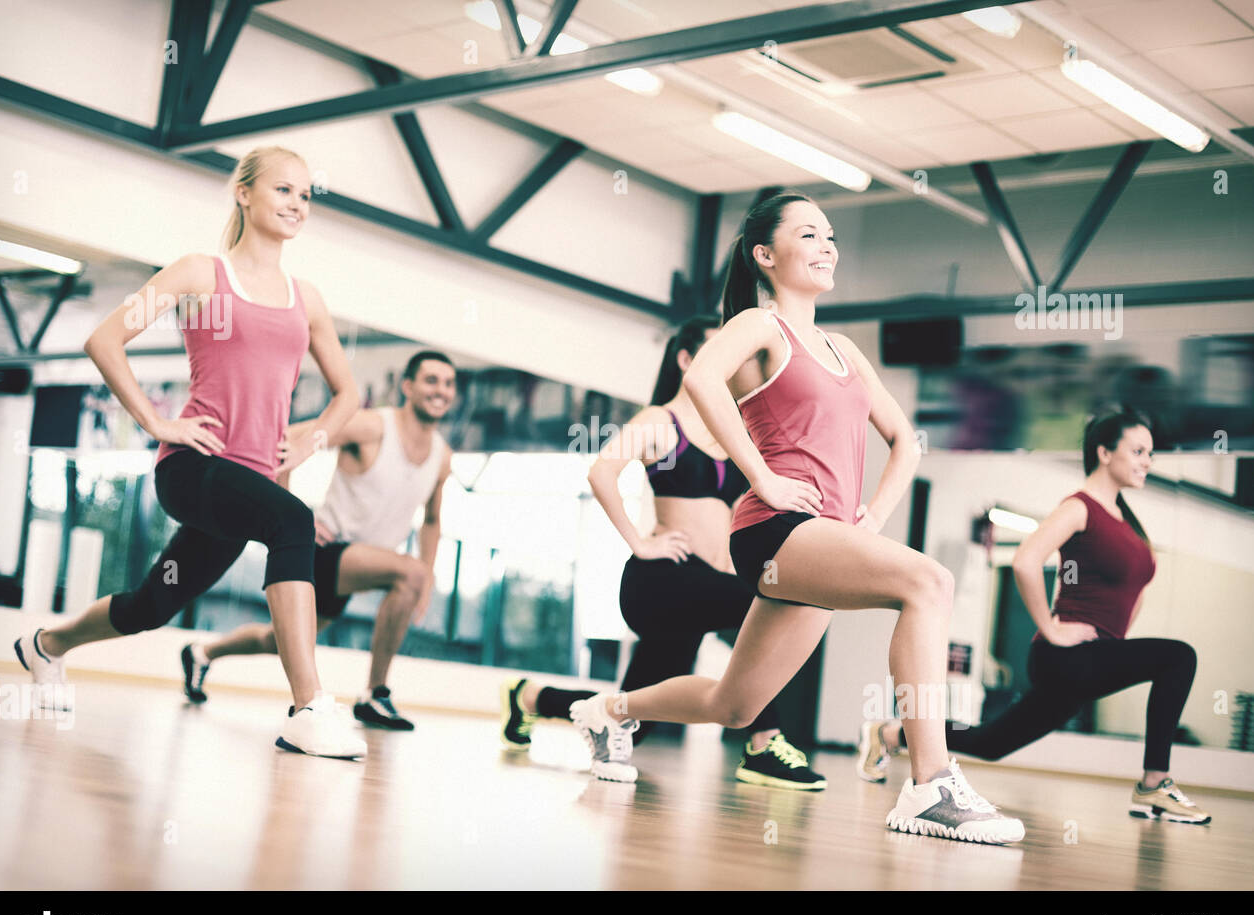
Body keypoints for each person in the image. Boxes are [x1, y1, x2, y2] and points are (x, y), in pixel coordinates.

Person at [566, 192, 1024, 844]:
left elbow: (907, 441)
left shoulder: (843, 348)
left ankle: (609, 710)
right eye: (809, 234)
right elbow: (702, 383)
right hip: (773, 532)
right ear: (765, 253)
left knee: (734, 703)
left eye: (831, 235)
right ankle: (931, 782)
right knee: (930, 583)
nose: (827, 245)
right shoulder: (760, 326)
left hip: (822, 537)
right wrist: (764, 477)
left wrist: (871, 519)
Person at [13, 146, 367, 759]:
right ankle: (309, 707)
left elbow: (350, 393)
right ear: (245, 193)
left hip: (250, 486)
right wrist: (157, 421)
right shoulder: (200, 274)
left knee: (155, 604)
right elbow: (106, 339)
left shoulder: (305, 298)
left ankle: (46, 645)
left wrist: (310, 437)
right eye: (284, 190)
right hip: (194, 469)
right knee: (294, 522)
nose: (297, 204)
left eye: (306, 195)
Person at [500, 316, 825, 790]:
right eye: (717, 351)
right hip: (663, 580)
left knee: (639, 714)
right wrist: (641, 542)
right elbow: (601, 472)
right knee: (764, 601)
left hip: (702, 588)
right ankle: (763, 743)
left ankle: (529, 697)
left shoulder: (734, 431)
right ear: (687, 359)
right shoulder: (661, 422)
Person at [857, 407, 1210, 824]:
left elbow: (1137, 587)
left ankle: (889, 734)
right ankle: (1154, 785)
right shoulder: (1080, 508)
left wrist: (1117, 643)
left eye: (1149, 453)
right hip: (1065, 656)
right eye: (1137, 451)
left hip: (1093, 657)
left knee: (993, 743)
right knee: (1179, 656)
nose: (1147, 461)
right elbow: (1026, 560)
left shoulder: (1127, 521)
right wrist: (1051, 629)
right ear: (1104, 453)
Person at [181, 351, 455, 731]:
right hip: (325, 551)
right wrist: (292, 513)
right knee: (408, 574)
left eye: (448, 383)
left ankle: (201, 652)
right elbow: (289, 438)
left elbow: (433, 520)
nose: (440, 390)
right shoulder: (373, 426)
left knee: (276, 641)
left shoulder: (442, 456)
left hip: (361, 562)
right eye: (431, 380)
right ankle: (376, 694)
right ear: (407, 387)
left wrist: (429, 575)